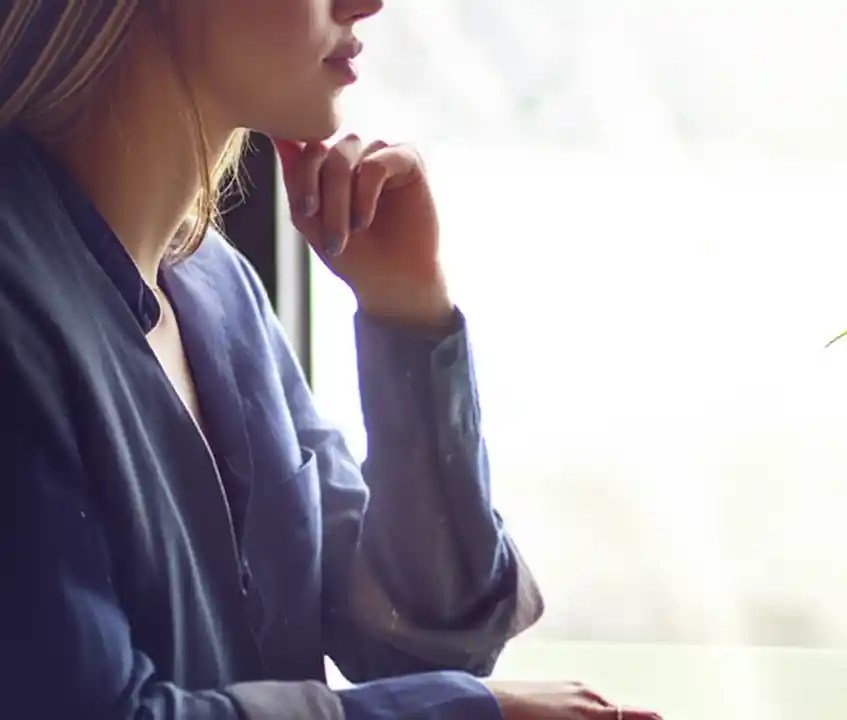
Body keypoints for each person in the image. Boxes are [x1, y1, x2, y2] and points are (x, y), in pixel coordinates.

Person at [0, 2, 661, 719]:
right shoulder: (17, 310)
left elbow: (427, 646)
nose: (367, 3)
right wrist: (471, 713)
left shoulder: (219, 290)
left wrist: (408, 312)